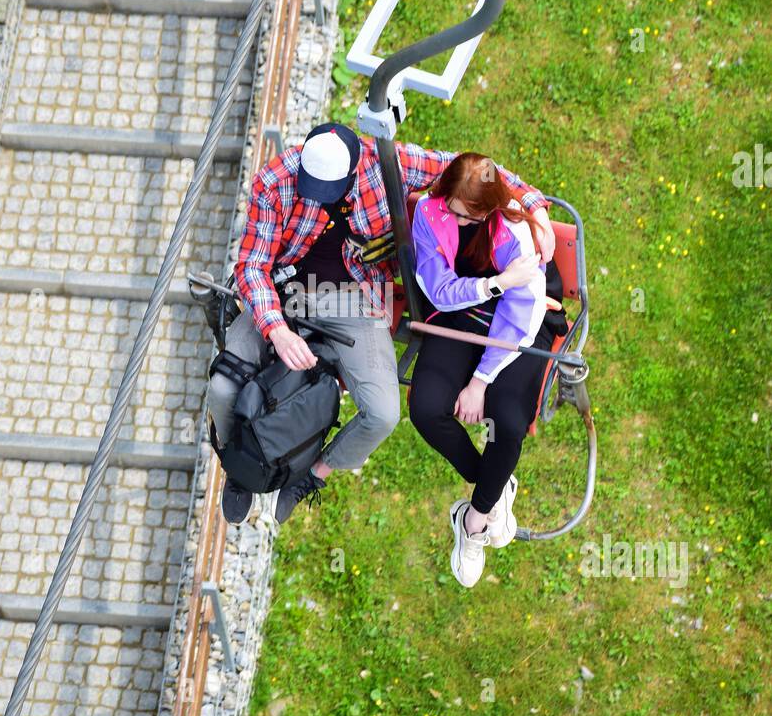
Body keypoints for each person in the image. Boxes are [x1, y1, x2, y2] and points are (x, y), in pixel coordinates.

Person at [208, 124, 555, 525]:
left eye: (329, 192)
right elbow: (253, 265)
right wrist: (276, 328)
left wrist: (536, 209)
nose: (318, 199)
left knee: (383, 413)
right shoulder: (274, 183)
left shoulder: (386, 161)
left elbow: (479, 173)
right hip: (281, 291)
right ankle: (241, 466)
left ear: (354, 170)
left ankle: (313, 474)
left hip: (353, 297)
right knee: (223, 386)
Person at [408, 152, 568, 588]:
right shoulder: (431, 210)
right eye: (454, 213)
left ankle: (475, 520)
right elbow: (440, 290)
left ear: (489, 210)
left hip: (520, 325)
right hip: (462, 311)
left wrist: (480, 381)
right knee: (425, 409)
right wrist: (494, 283)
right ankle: (494, 490)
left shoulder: (517, 234)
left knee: (508, 421)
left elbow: (521, 313)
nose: (457, 223)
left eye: (467, 219)